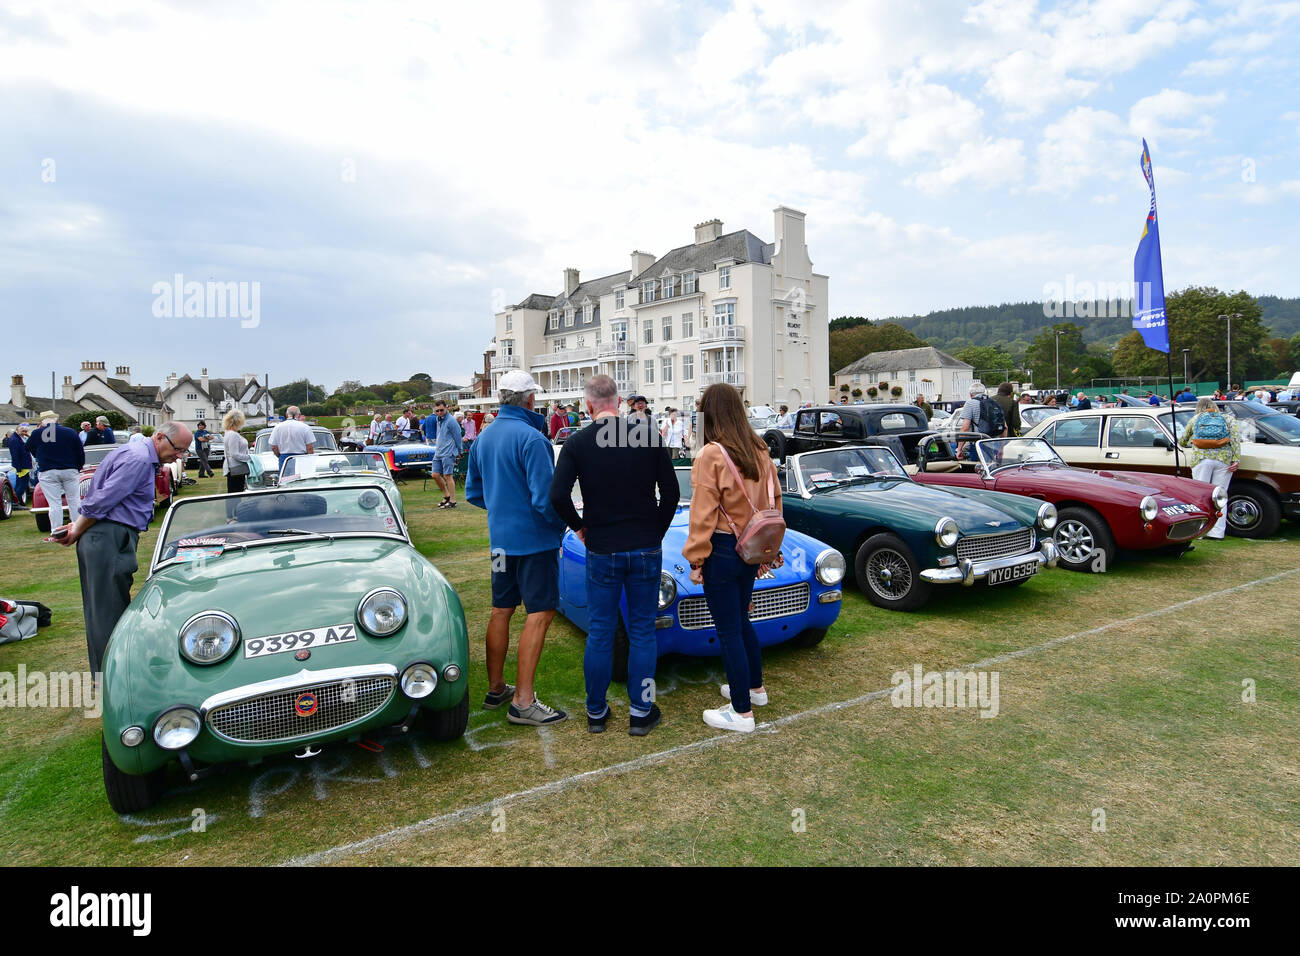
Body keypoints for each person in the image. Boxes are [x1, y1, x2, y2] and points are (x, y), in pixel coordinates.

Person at [550, 374, 678, 736]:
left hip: (603, 545)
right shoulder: (647, 435)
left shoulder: (577, 442)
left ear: (589, 406)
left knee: (601, 633)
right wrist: (657, 529)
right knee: (642, 631)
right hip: (644, 544)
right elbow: (669, 492)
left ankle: (596, 711)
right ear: (619, 401)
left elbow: (558, 495)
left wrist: (579, 526)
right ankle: (641, 709)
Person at [465, 370, 568, 726]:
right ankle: (523, 700)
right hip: (535, 542)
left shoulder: (483, 438)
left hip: (502, 543)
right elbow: (546, 499)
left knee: (501, 610)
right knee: (540, 613)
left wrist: (502, 510)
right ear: (529, 400)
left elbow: (474, 493)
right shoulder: (532, 438)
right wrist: (563, 526)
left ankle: (497, 688)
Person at [683, 383, 782, 733]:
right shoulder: (760, 450)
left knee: (728, 629)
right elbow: (775, 503)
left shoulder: (711, 454)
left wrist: (696, 559)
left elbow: (702, 514)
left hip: (724, 549)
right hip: (753, 547)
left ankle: (741, 711)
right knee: (740, 621)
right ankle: (754, 688)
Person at [58, 421, 192, 675]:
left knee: (107, 607)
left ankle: (111, 671)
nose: (179, 456)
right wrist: (77, 528)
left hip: (109, 534)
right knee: (107, 611)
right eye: (178, 449)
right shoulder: (139, 459)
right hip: (109, 535)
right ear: (160, 437)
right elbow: (101, 501)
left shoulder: (135, 453)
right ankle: (112, 676)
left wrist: (79, 525)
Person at [1178, 396, 1240, 540]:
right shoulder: (1228, 419)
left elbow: (1183, 440)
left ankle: (1200, 531)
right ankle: (1217, 532)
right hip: (1223, 459)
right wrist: (1236, 459)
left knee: (1200, 496)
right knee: (1220, 496)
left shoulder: (1195, 420)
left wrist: (1190, 444)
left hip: (1201, 459)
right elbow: (1235, 439)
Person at [28, 410, 84, 530]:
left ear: (42, 422)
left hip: (48, 470)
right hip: (69, 469)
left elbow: (29, 447)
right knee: (74, 500)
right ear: (57, 420)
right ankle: (77, 528)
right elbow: (80, 452)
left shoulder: (38, 433)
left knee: (54, 503)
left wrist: (40, 457)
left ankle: (56, 530)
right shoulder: (70, 432)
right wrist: (78, 467)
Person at [431, 400, 464, 509]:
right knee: (435, 475)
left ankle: (453, 500)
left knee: (447, 476)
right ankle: (446, 495)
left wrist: (460, 451)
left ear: (447, 408)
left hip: (449, 453)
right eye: (437, 411)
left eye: (441, 410)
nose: (439, 412)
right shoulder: (438, 419)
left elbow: (458, 436)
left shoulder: (451, 421)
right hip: (438, 452)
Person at [222, 409, 251, 496]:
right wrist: (250, 458)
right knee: (235, 494)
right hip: (236, 468)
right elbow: (234, 454)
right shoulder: (233, 435)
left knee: (234, 493)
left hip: (235, 468)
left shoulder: (229, 433)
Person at [6, 424, 32, 509]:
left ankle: (19, 501)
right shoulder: (14, 439)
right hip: (21, 466)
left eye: (25, 431)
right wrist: (18, 467)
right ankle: (16, 503)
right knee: (21, 484)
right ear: (18, 429)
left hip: (24, 465)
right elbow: (15, 455)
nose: (24, 433)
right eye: (23, 431)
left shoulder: (19, 438)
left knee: (21, 484)